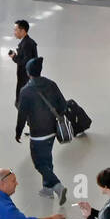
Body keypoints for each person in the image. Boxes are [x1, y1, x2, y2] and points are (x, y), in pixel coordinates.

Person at [15, 59, 70, 204]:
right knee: (46, 158)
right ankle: (47, 189)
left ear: (28, 72)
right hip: (52, 130)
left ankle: (57, 186)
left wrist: (18, 131)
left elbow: (22, 114)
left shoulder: (26, 91)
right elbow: (63, 105)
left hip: (37, 133)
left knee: (39, 163)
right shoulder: (51, 84)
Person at [7, 19, 39, 106]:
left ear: (23, 31)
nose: (14, 32)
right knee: (19, 104)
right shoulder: (26, 42)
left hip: (25, 80)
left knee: (21, 104)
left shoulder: (27, 44)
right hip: (26, 79)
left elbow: (26, 62)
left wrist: (14, 57)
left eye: (16, 30)